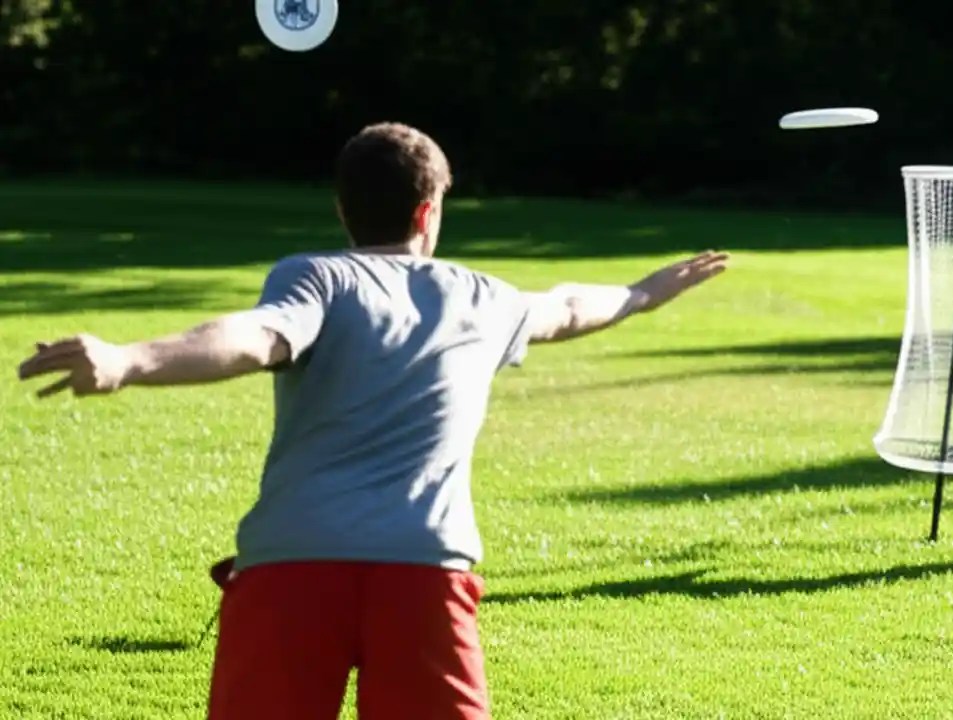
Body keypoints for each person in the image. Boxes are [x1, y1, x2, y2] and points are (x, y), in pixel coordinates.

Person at [16, 121, 730, 719]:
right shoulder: (482, 297)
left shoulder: (314, 277)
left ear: (342, 209)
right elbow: (572, 307)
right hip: (423, 576)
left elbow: (254, 336)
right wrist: (641, 293)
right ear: (429, 212)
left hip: (289, 572)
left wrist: (128, 360)